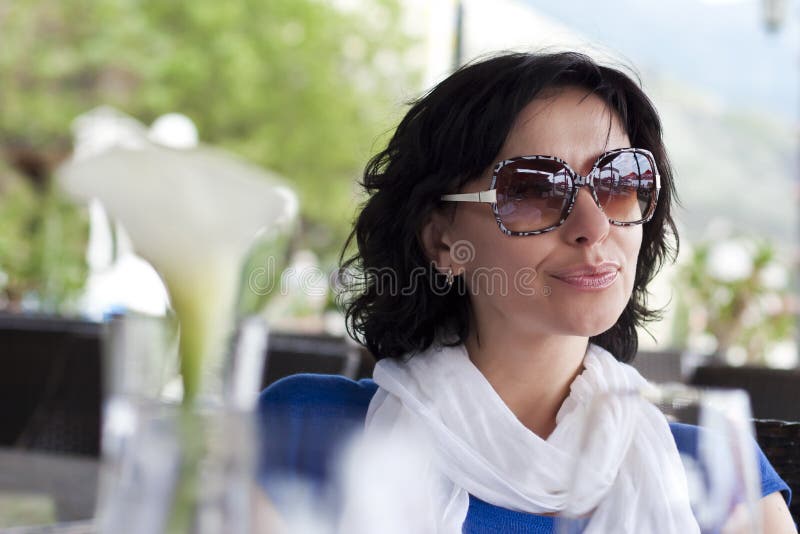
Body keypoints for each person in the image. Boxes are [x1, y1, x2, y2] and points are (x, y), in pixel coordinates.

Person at [259, 51, 795, 533]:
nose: (593, 225)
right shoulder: (304, 429)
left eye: (618, 181)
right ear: (443, 241)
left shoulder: (719, 478)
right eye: (534, 189)